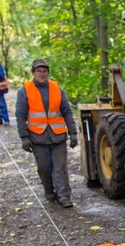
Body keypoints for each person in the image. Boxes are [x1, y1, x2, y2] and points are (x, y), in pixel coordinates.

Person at [16, 58, 78, 208]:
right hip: (37, 137)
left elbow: (67, 112)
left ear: (48, 73)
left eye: (44, 71)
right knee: (45, 169)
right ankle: (49, 192)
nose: (42, 74)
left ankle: (64, 197)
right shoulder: (24, 90)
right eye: (39, 71)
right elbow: (20, 115)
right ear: (33, 73)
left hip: (58, 137)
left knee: (60, 168)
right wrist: (24, 137)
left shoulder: (57, 89)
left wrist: (73, 133)